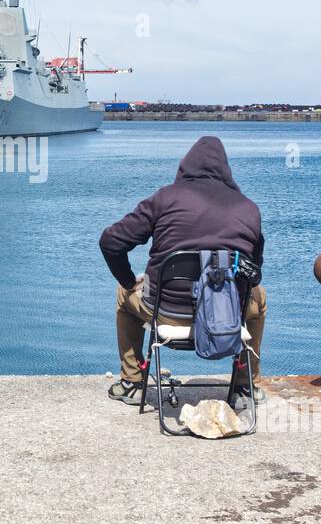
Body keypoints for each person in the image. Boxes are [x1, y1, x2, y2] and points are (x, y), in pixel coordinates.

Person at [99, 136, 267, 404]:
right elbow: (254, 270)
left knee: (124, 293)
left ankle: (132, 382)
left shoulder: (164, 199)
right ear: (226, 170)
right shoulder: (249, 209)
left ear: (185, 167)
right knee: (259, 297)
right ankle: (246, 386)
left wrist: (130, 281)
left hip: (166, 313)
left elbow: (110, 242)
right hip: (226, 316)